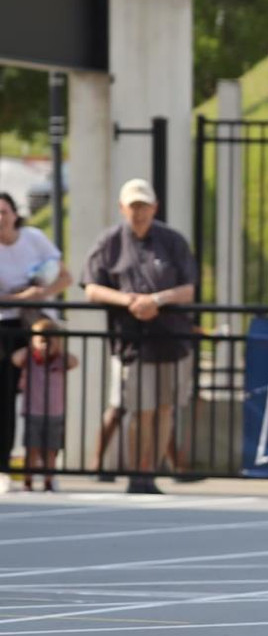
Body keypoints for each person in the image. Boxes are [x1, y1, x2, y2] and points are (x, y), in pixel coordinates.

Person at [83, 179, 196, 496]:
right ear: (123, 208)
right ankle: (135, 472)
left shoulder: (172, 241)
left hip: (171, 340)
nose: (139, 212)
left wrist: (156, 301)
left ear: (154, 207)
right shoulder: (110, 242)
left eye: (144, 206)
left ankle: (151, 471)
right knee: (138, 409)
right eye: (133, 206)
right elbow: (91, 286)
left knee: (163, 409)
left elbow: (188, 289)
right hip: (132, 342)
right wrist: (130, 301)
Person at [0, 191, 69, 489]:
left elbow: (64, 276)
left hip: (38, 325)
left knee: (45, 398)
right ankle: (5, 466)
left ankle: (46, 470)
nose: (0, 218)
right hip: (5, 325)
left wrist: (39, 293)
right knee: (4, 397)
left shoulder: (33, 238)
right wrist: (17, 297)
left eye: (4, 211)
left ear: (15, 214)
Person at [12, 318, 76, 492]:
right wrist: (32, 347)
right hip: (33, 410)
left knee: (51, 449)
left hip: (54, 412)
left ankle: (49, 479)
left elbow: (74, 362)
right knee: (31, 448)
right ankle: (28, 479)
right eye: (41, 339)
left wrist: (57, 348)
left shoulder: (60, 360)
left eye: (50, 339)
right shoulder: (30, 359)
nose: (45, 344)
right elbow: (15, 359)